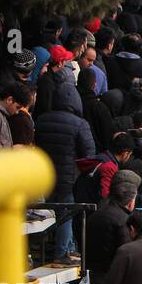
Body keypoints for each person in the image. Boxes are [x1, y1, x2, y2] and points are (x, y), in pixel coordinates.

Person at [33, 78, 96, 263]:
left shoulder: (42, 120)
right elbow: (89, 153)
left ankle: (43, 251)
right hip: (69, 177)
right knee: (66, 212)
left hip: (44, 175)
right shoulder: (80, 124)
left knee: (47, 212)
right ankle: (62, 253)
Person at [84, 169, 138, 276]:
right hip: (112, 273)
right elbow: (127, 252)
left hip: (93, 271)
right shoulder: (124, 220)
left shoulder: (95, 215)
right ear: (131, 201)